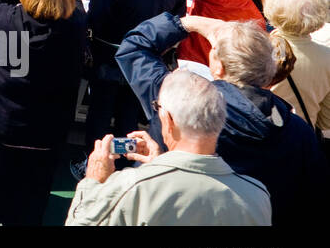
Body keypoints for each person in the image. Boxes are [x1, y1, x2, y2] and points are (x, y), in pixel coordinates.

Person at [117, 11, 329, 226]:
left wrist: (188, 23)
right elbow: (314, 198)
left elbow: (135, 47)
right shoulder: (298, 131)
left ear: (218, 66)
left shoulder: (180, 99)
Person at [66, 70, 270, 226]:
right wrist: (159, 164)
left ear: (168, 120)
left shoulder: (131, 186)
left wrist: (92, 181)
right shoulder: (256, 195)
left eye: (158, 107)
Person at [0, 0, 86, 225]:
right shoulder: (75, 26)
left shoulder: (0, 20)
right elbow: (75, 5)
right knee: (30, 201)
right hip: (46, 134)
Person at [85, 0, 188, 150]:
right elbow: (176, 23)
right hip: (145, 67)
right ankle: (125, 162)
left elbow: (95, 19)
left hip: (109, 63)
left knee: (99, 117)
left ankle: (95, 161)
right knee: (129, 119)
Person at [264, 0, 330, 135]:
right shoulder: (327, 58)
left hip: (262, 132)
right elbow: (326, 119)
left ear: (269, 12)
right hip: (302, 136)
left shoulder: (261, 50)